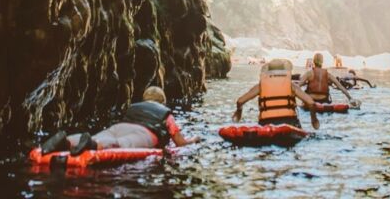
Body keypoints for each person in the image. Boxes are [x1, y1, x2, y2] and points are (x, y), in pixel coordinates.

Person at [39, 86, 200, 155]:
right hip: (145, 133)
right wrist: (194, 140)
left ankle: (66, 141)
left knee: (103, 135)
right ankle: (92, 146)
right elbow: (180, 143)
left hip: (120, 126)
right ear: (162, 101)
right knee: (121, 144)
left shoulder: (133, 107)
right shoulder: (165, 113)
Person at [233, 58, 319, 129]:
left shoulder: (260, 86)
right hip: (289, 122)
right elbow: (311, 103)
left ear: (269, 71)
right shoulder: (291, 85)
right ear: (283, 70)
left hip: (266, 123)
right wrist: (314, 120)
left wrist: (239, 112)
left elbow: (240, 101)